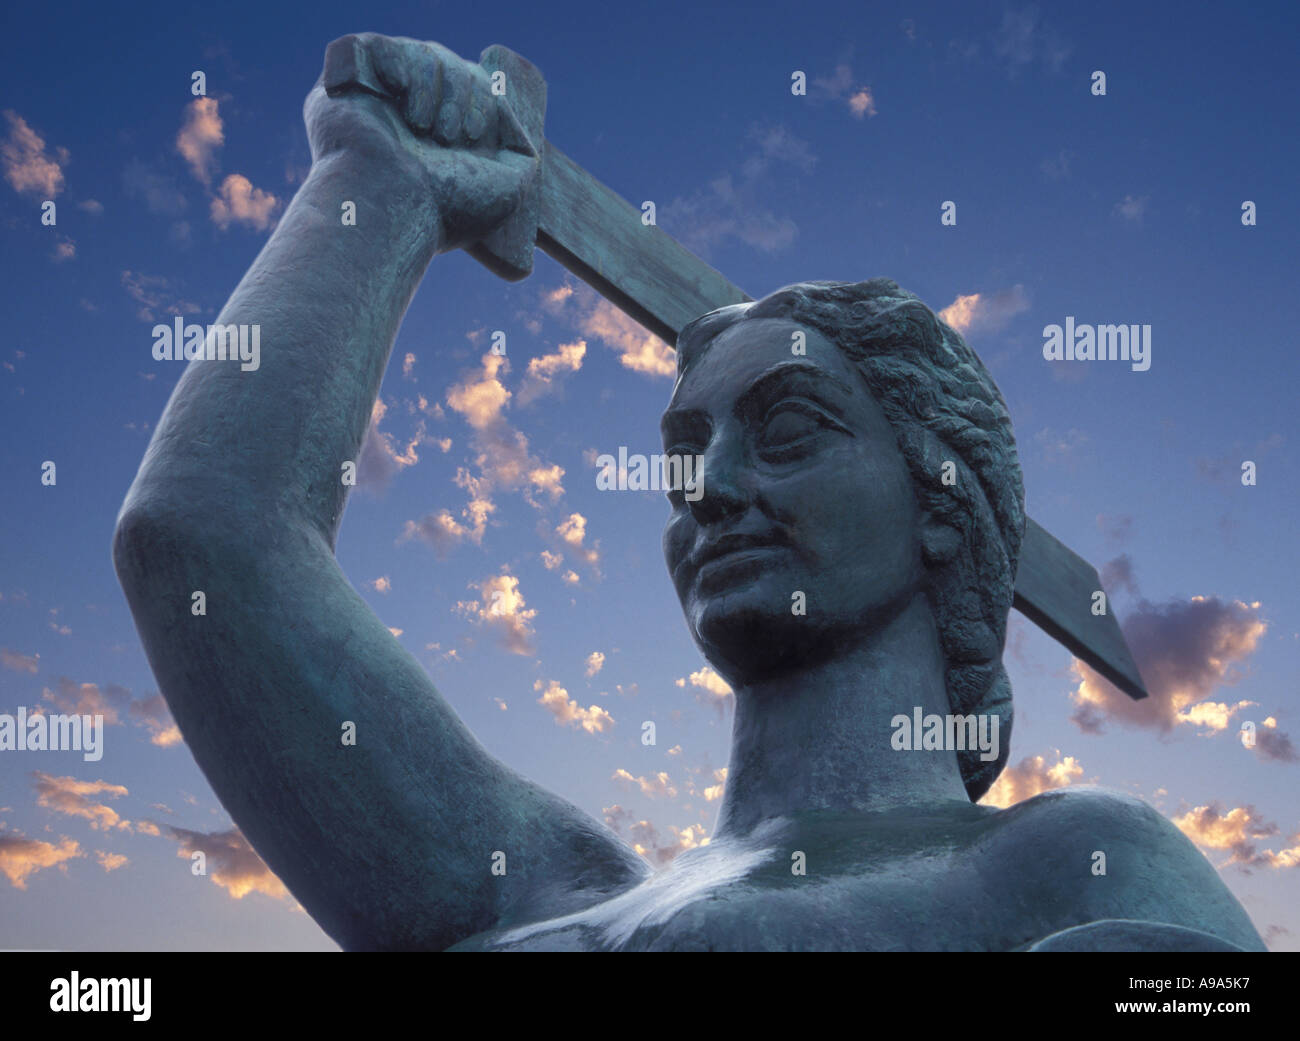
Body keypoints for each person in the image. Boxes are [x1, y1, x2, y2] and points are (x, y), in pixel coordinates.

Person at [112, 34, 1266, 952]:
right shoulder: (524, 881)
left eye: (790, 431)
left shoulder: (1071, 863)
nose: (708, 489)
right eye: (684, 453)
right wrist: (378, 188)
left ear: (937, 500)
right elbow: (202, 540)